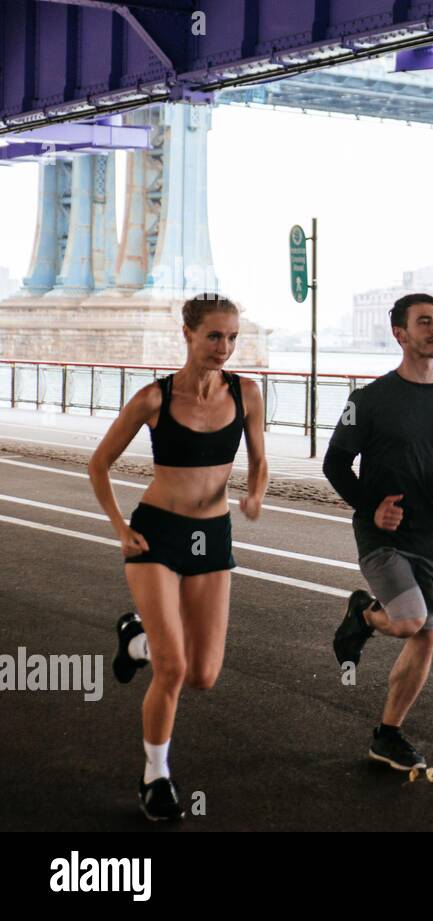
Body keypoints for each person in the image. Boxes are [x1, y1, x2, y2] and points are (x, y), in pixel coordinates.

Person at [89, 294, 267, 821]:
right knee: (172, 668)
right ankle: (156, 775)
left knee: (204, 674)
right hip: (157, 536)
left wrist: (255, 495)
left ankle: (135, 639)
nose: (225, 347)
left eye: (233, 337)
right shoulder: (153, 399)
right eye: (214, 336)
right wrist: (121, 528)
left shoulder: (248, 393)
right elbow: (99, 465)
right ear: (187, 334)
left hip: (213, 538)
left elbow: (260, 463)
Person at [324, 293, 433, 772]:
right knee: (412, 620)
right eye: (424, 322)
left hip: (432, 538)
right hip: (383, 538)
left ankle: (388, 734)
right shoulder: (367, 401)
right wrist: (371, 510)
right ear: (400, 333)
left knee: (426, 635)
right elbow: (334, 463)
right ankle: (364, 615)